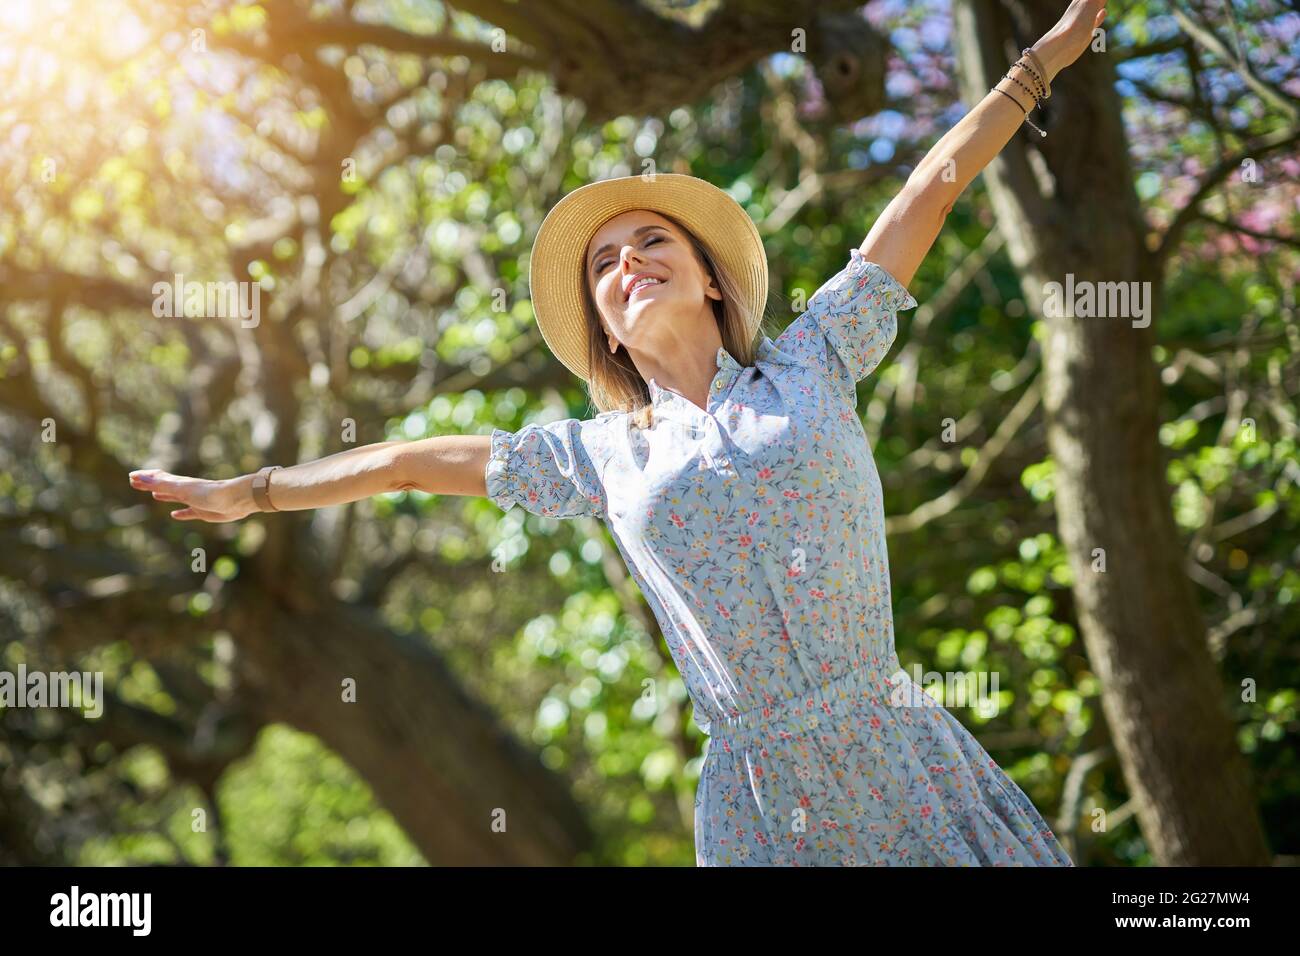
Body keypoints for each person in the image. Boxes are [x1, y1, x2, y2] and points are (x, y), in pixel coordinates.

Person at [130, 0, 1108, 865]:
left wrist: (1043, 63)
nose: (629, 261)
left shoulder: (817, 358)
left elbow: (930, 185)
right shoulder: (593, 455)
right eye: (604, 260)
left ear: (712, 277)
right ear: (601, 319)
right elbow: (405, 462)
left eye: (653, 241)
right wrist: (255, 490)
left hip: (899, 754)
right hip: (765, 803)